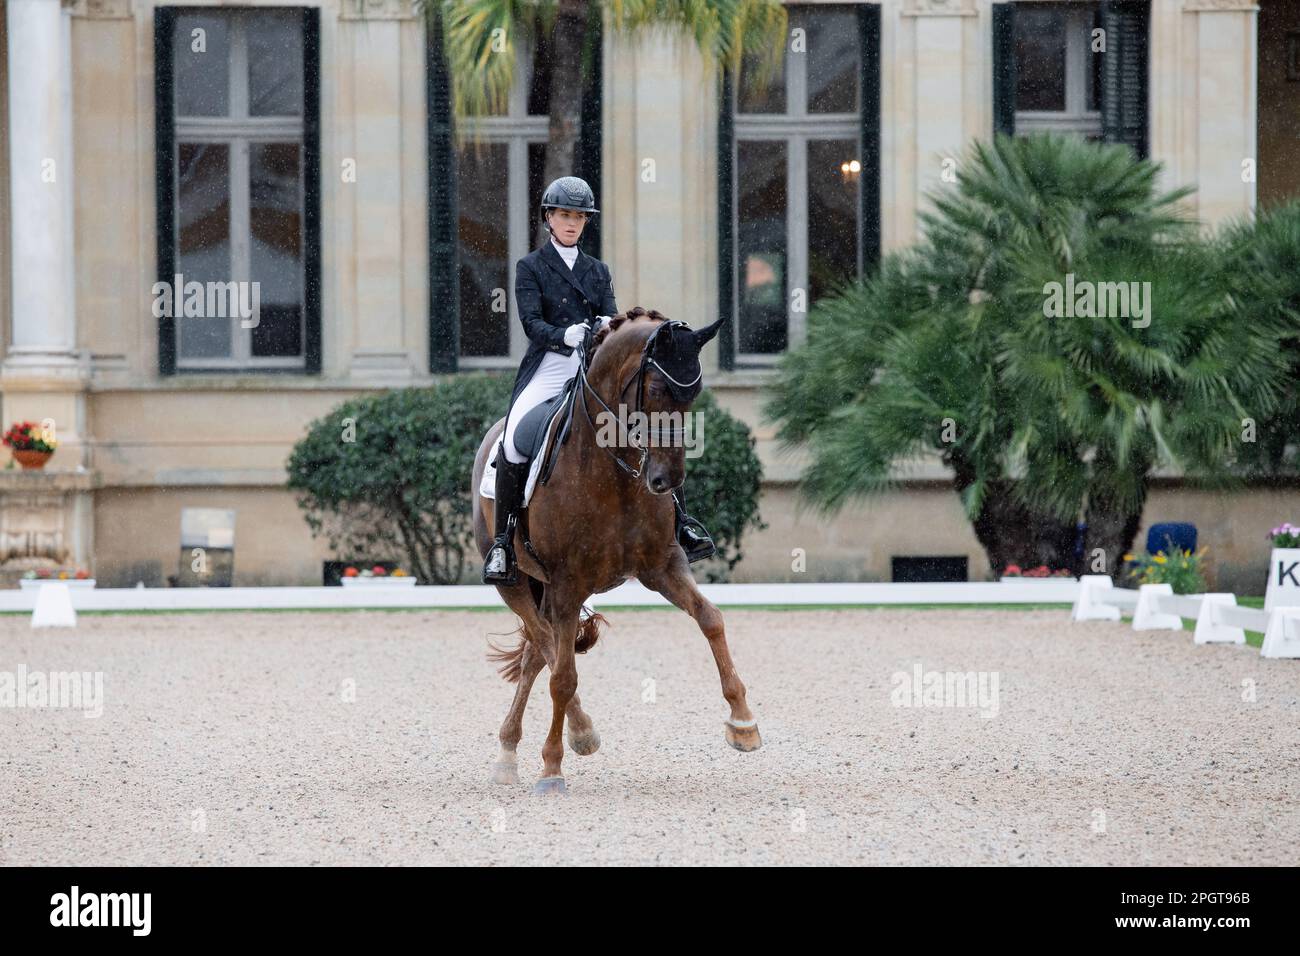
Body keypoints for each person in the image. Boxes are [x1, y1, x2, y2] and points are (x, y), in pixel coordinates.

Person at [482, 175, 715, 584]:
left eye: (578, 216)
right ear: (549, 218)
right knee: (514, 437)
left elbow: (612, 314)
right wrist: (562, 335)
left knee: (653, 425)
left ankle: (683, 523)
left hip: (592, 366)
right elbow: (532, 323)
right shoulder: (530, 267)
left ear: (585, 222)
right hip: (549, 366)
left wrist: (607, 327)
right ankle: (503, 542)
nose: (571, 223)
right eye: (563, 215)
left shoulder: (597, 269)